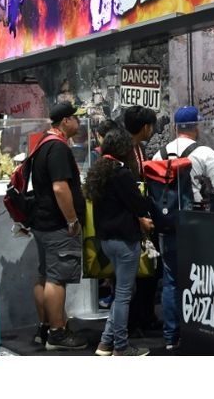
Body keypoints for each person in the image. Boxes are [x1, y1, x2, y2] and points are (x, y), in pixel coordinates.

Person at [83, 128, 154, 357]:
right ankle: (121, 347)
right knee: (124, 294)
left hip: (106, 240)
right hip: (124, 240)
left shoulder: (98, 170)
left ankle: (105, 343)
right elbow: (138, 204)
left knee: (121, 292)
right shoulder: (121, 173)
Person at [158, 105, 214, 351]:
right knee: (202, 277)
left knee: (171, 279)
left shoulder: (159, 154)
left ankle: (170, 337)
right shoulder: (205, 152)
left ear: (175, 127)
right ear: (196, 126)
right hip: (197, 220)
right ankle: (199, 330)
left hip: (168, 221)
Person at [29, 102, 88, 351]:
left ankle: (45, 328)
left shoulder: (42, 144)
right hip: (57, 225)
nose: (79, 123)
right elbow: (59, 187)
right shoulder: (58, 148)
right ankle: (57, 333)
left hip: (42, 223)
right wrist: (72, 220)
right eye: (77, 118)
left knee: (45, 276)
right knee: (57, 279)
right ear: (65, 121)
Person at [121, 105, 161, 334]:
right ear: (146, 127)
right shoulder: (127, 150)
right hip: (132, 221)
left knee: (147, 275)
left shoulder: (137, 148)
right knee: (134, 279)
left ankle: (145, 317)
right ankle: (134, 321)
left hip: (140, 217)